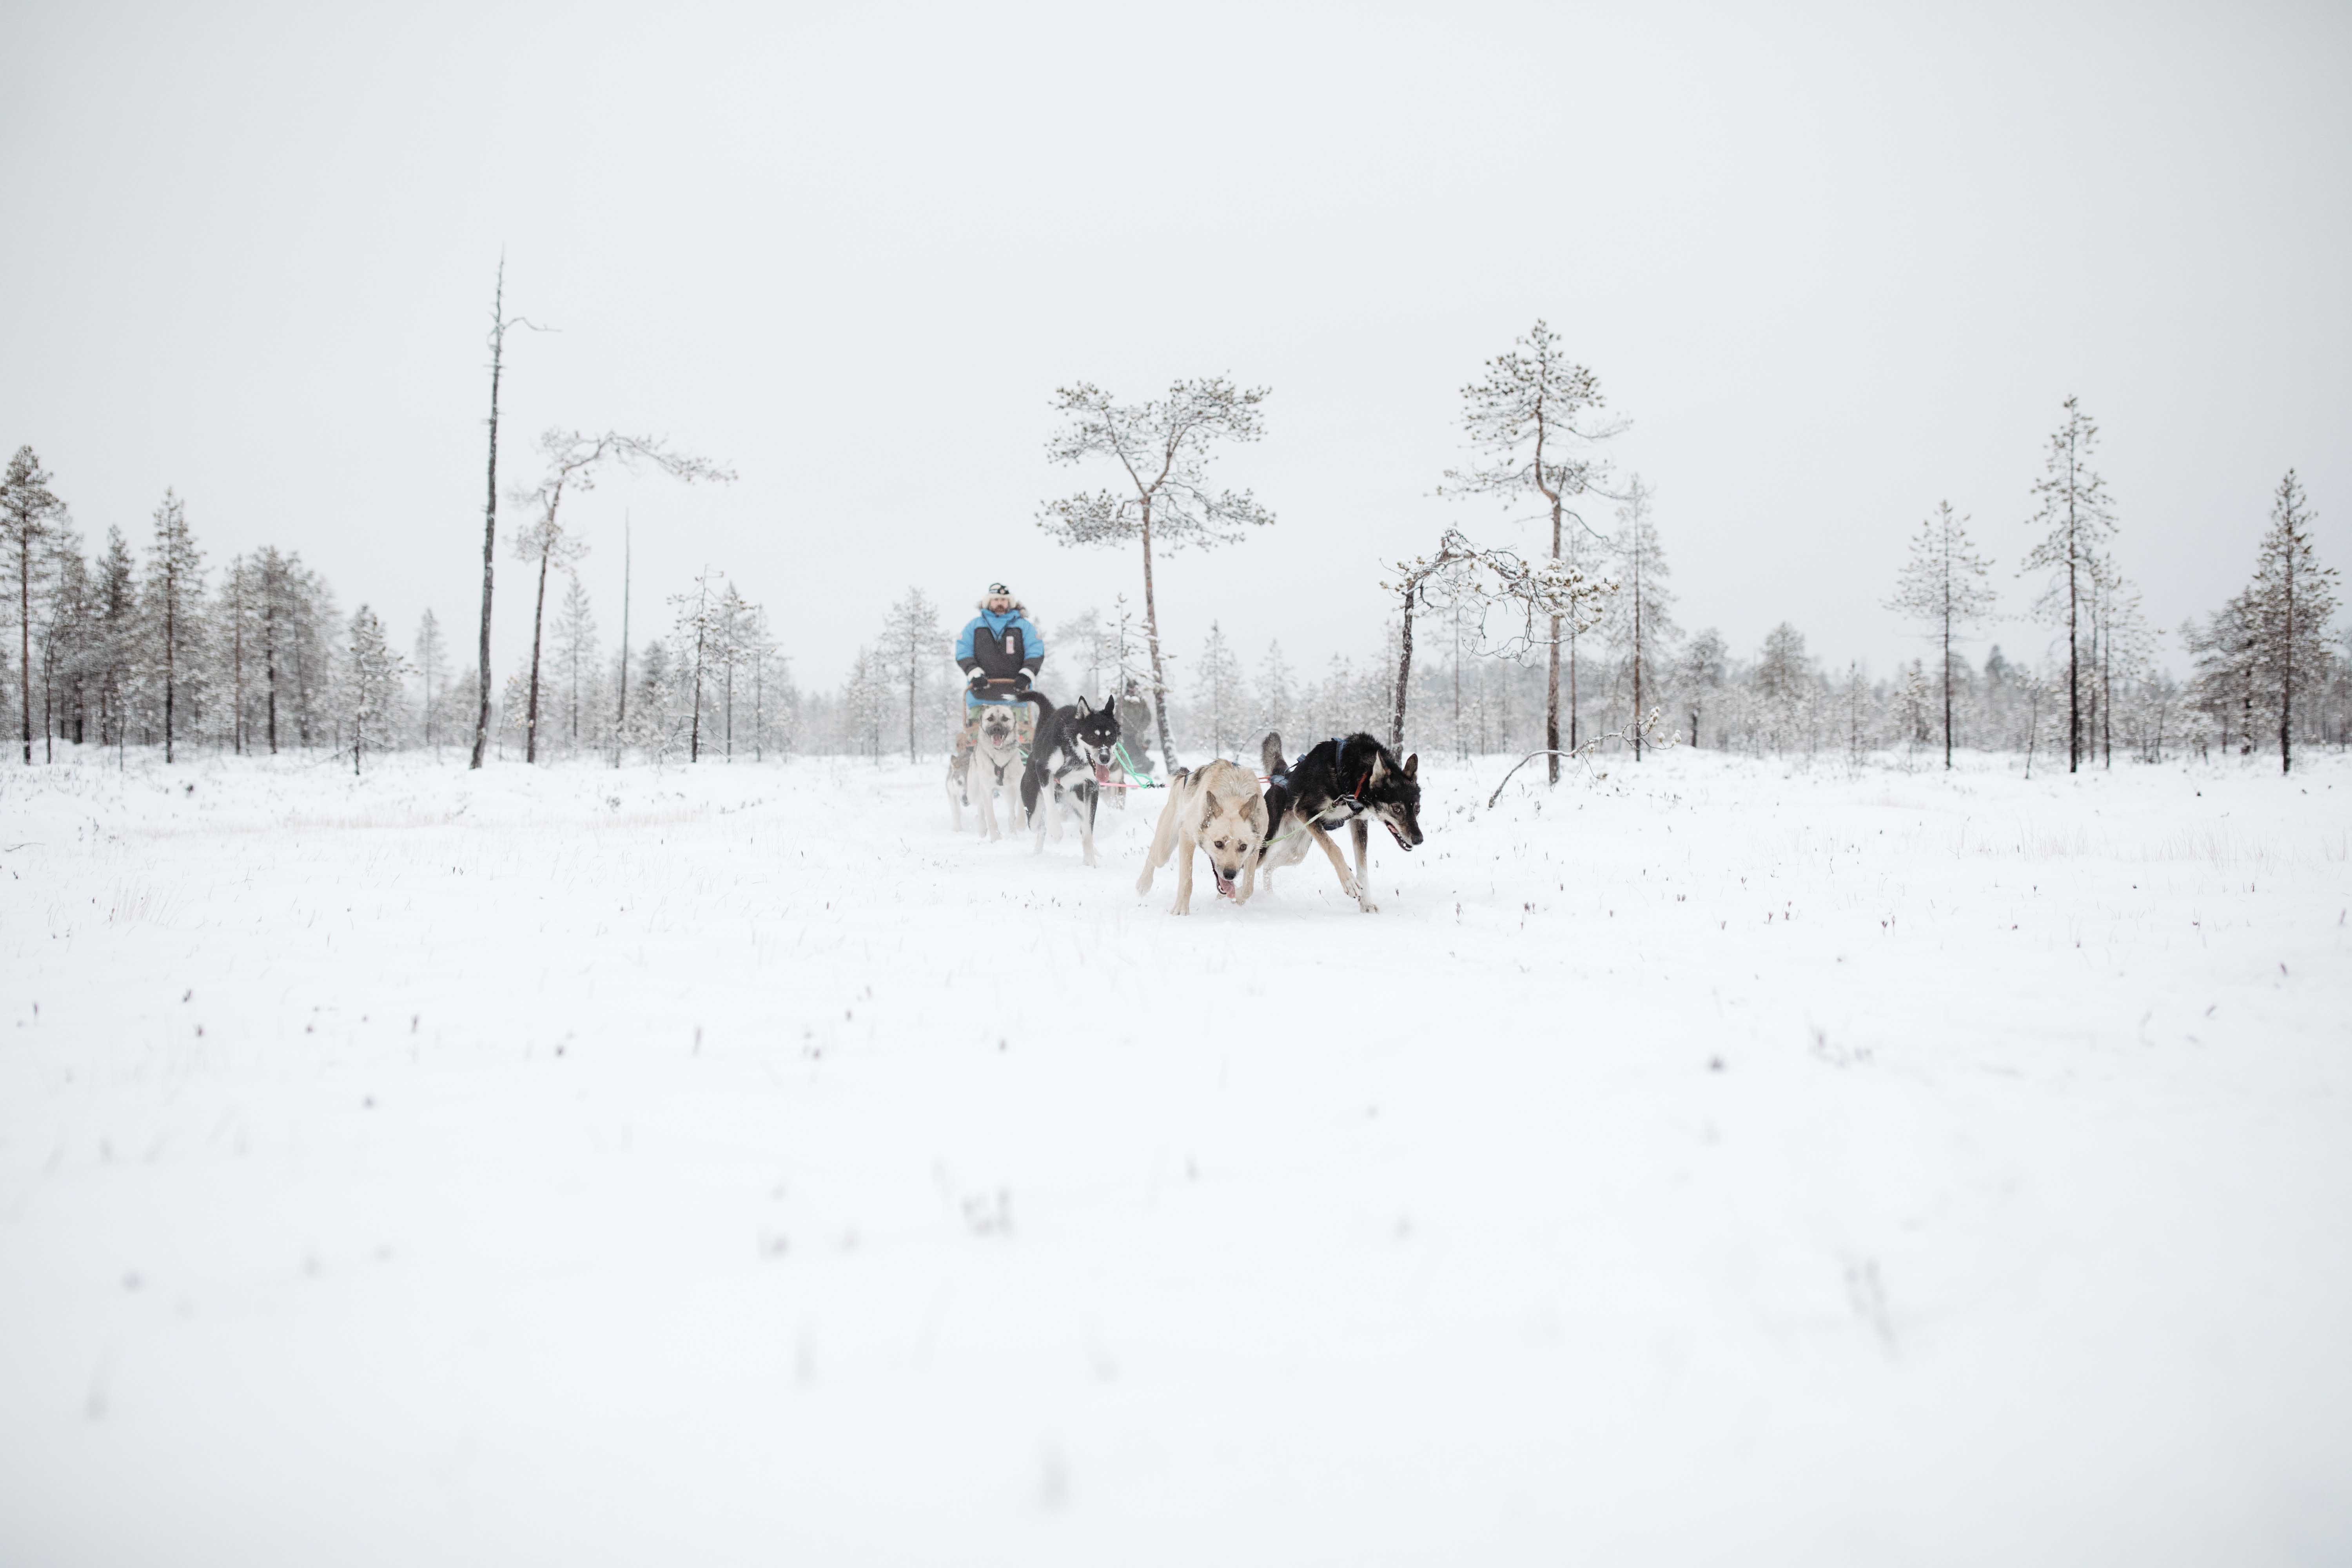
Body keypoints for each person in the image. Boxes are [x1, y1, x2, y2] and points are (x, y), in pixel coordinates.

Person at [952, 583, 1045, 770]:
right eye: (996, 600)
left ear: (1010, 603)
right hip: (981, 694)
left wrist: (1026, 675)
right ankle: (977, 775)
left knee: (1022, 742)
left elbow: (1036, 651)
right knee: (977, 740)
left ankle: (1024, 778)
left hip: (1017, 694)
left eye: (1004, 600)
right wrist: (974, 673)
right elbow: (963, 651)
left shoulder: (1023, 627)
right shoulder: (974, 627)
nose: (1000, 603)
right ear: (989, 602)